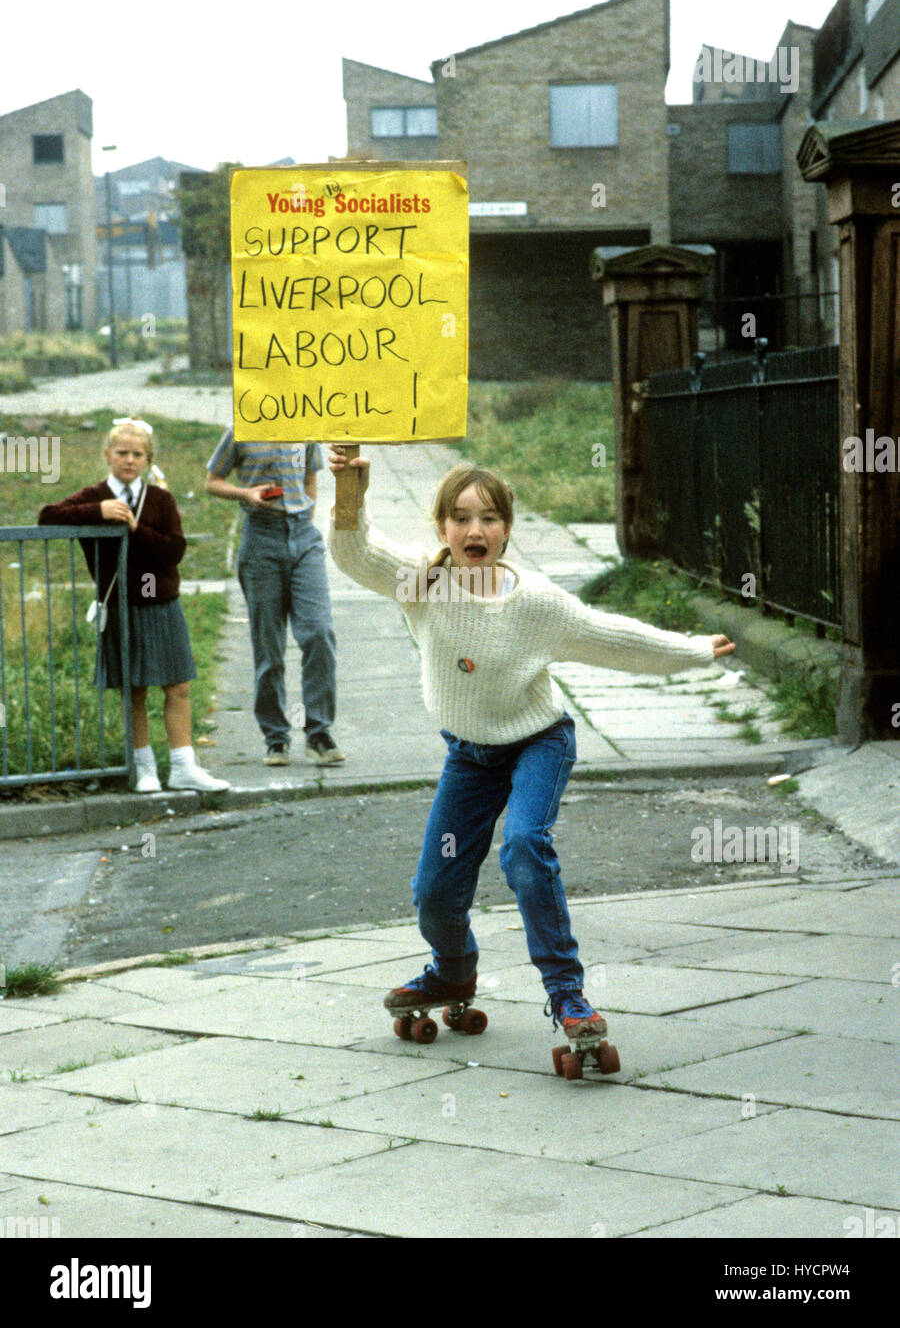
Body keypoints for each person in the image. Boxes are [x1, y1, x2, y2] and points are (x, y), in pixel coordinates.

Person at [327, 445, 736, 1046]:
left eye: (489, 518)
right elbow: (355, 552)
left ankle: (567, 996)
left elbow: (614, 639)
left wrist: (694, 649)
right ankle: (451, 971)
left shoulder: (536, 603)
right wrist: (349, 494)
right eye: (461, 517)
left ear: (507, 530)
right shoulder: (423, 581)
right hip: (469, 755)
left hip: (538, 742)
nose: (475, 530)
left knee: (523, 846)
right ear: (441, 526)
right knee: (434, 894)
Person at [39, 418, 229, 794]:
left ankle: (183, 765)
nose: (129, 460)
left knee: (178, 686)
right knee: (134, 689)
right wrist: (98, 513)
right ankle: (144, 769)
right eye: (122, 453)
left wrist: (136, 531)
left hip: (159, 601)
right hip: (122, 605)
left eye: (137, 454)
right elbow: (47, 516)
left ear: (148, 458)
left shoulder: (160, 499)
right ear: (108, 455)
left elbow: (175, 550)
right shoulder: (94, 496)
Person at [204, 432, 343, 767]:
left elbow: (310, 479)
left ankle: (319, 732)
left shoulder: (302, 421)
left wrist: (303, 525)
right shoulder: (243, 425)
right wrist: (246, 493)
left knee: (319, 632)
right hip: (260, 538)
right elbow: (212, 481)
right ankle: (275, 737)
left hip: (302, 538)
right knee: (269, 648)